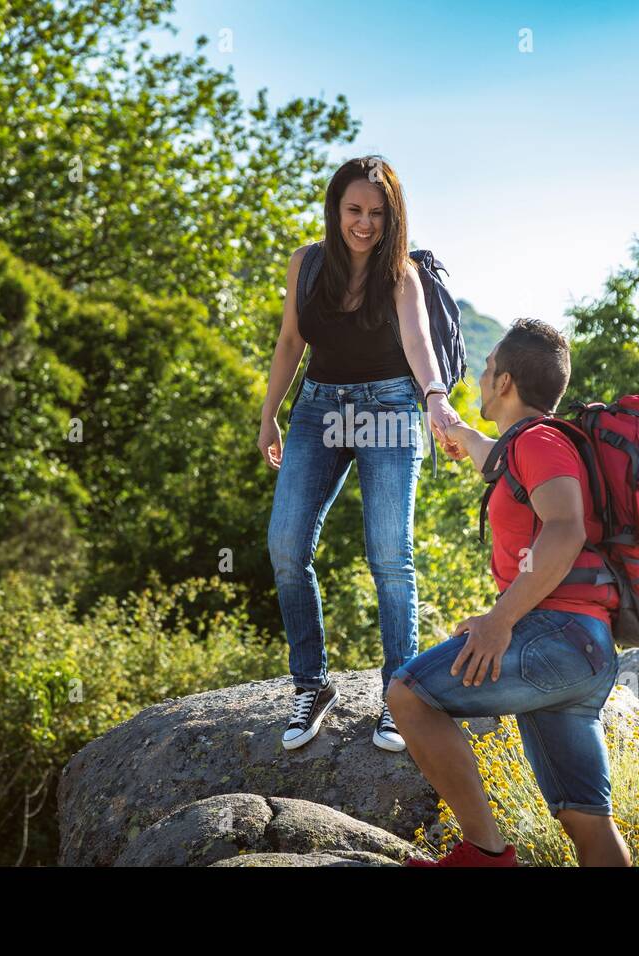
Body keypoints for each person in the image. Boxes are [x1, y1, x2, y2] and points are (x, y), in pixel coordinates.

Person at [388, 318, 633, 867]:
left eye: (487, 365)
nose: (480, 374)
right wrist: (449, 422)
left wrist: (500, 620)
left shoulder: (542, 443)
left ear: (503, 383)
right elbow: (486, 453)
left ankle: (484, 854)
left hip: (557, 635)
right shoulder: (524, 446)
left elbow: (565, 528)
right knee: (584, 819)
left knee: (409, 695)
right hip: (583, 653)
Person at [258, 156, 461, 752]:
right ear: (335, 209)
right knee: (286, 545)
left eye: (377, 213)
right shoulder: (307, 263)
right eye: (354, 210)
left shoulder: (402, 274)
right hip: (319, 408)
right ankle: (312, 684)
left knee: (388, 555)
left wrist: (435, 400)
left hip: (392, 407)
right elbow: (291, 340)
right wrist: (269, 414)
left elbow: (419, 343)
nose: (364, 223)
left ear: (392, 216)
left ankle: (403, 694)